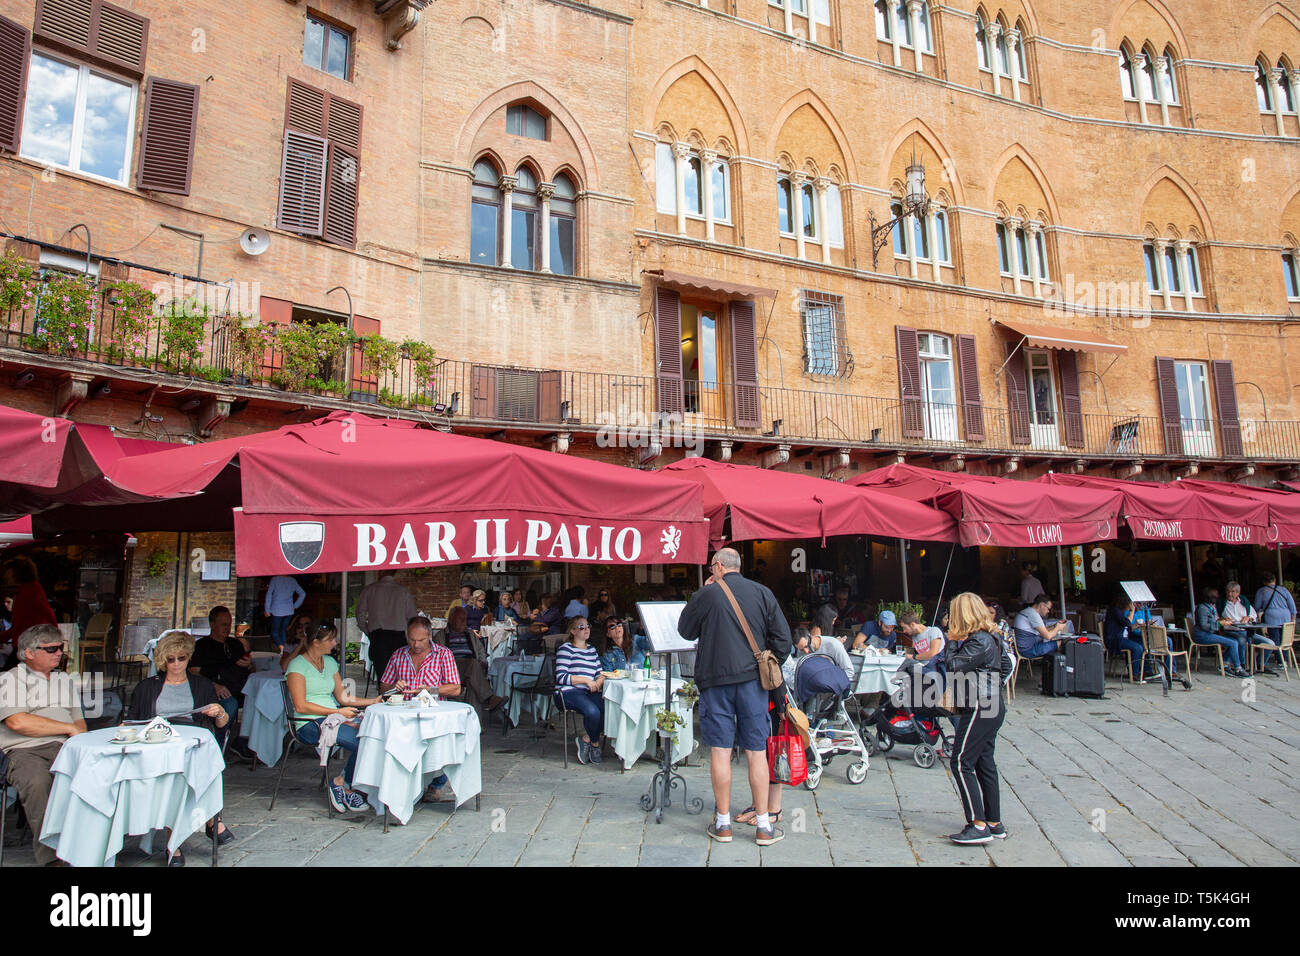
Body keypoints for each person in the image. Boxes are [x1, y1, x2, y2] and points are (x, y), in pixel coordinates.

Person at [677, 547, 791, 848]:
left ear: (717, 567)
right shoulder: (763, 592)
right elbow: (784, 641)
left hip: (716, 683)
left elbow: (685, 631)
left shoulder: (708, 594)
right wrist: (767, 660)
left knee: (720, 751)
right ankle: (764, 827)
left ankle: (724, 823)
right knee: (756, 751)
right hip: (754, 682)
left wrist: (701, 593)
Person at [125, 630, 233, 858]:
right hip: (158, 746)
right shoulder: (147, 687)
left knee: (190, 767)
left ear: (189, 657)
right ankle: (210, 821)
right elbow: (131, 723)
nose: (175, 664)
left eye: (181, 658)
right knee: (175, 776)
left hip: (192, 743)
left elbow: (222, 725)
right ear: (163, 659)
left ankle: (175, 843)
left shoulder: (202, 685)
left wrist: (220, 711)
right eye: (170, 659)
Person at [0, 625, 83, 866]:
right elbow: (17, 721)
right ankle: (53, 860)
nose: (59, 653)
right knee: (38, 782)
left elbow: (79, 721)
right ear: (29, 653)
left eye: (61, 648)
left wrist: (79, 741)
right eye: (51, 649)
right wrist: (66, 729)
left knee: (99, 779)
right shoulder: (10, 679)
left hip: (66, 746)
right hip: (25, 749)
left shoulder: (64, 679)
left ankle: (94, 851)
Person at [287, 624, 380, 814]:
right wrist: (336, 712)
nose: (335, 643)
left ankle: (342, 783)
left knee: (371, 734)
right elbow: (300, 706)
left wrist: (373, 701)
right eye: (330, 639)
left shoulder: (329, 662)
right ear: (315, 642)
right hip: (309, 724)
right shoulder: (297, 665)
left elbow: (343, 698)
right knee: (362, 741)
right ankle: (344, 785)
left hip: (332, 717)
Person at [945, 593, 1011, 846]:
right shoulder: (991, 638)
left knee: (961, 762)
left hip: (980, 705)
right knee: (985, 761)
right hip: (992, 703)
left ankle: (978, 824)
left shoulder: (978, 641)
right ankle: (994, 822)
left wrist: (951, 641)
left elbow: (952, 665)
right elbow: (1005, 666)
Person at [381, 616, 463, 803]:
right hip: (404, 714)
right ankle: (402, 782)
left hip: (433, 714)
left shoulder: (443, 654)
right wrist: (394, 685)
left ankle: (437, 783)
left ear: (430, 635)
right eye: (412, 639)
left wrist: (428, 689)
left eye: (421, 640)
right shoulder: (399, 655)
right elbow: (383, 688)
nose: (416, 645)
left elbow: (455, 688)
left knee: (441, 742)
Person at [189, 606, 256, 761]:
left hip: (240, 687)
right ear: (212, 624)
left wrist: (250, 665)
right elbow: (194, 672)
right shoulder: (202, 646)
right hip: (216, 690)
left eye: (229, 624)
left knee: (262, 701)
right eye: (223, 624)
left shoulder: (235, 644)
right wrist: (214, 685)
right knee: (229, 704)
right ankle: (216, 749)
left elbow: (252, 670)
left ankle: (244, 742)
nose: (227, 628)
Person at [433, 607, 505, 713]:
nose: (464, 622)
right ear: (452, 619)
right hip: (452, 670)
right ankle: (489, 698)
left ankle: (476, 727)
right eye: (461, 619)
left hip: (471, 670)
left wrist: (483, 662)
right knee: (472, 664)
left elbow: (481, 651)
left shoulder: (470, 634)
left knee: (473, 684)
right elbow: (436, 659)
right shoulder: (441, 636)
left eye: (465, 619)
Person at [554, 616, 604, 764]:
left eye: (587, 626)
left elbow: (599, 673)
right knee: (593, 711)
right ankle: (595, 744)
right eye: (581, 627)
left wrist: (599, 682)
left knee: (608, 708)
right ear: (573, 631)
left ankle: (586, 739)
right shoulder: (566, 649)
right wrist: (586, 680)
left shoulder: (592, 650)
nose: (586, 629)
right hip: (567, 692)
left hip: (589, 691)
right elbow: (561, 677)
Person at [355, 573, 417, 683]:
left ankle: (384, 695)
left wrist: (368, 632)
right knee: (401, 674)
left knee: (383, 677)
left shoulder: (370, 589)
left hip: (379, 637)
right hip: (399, 637)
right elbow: (412, 618)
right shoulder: (403, 591)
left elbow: (360, 614)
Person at [1, 558, 56, 671]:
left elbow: (18, 625)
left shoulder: (28, 591)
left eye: (8, 572)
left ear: (17, 572)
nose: (6, 576)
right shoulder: (30, 589)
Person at [1219, 580, 1280, 674]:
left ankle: (1259, 664)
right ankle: (1242, 665)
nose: (1229, 594)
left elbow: (1254, 615)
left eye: (1232, 591)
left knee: (1270, 643)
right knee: (1241, 640)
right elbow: (1215, 617)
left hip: (1247, 631)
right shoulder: (1221, 603)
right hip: (1231, 631)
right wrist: (1222, 620)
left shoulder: (1244, 602)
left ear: (1238, 593)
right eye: (1228, 591)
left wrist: (1248, 618)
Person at [1193, 587, 1250, 678]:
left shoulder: (1210, 607)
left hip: (1208, 634)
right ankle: (1238, 668)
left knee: (1235, 641)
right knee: (1233, 642)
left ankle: (1226, 665)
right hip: (1202, 635)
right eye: (1215, 597)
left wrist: (1222, 620)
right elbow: (1204, 625)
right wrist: (1219, 624)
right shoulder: (1203, 608)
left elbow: (1212, 621)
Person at [1104, 595, 1150, 682]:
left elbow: (1126, 626)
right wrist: (1132, 611)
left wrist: (1135, 626)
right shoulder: (1115, 610)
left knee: (1142, 645)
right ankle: (1134, 674)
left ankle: (1145, 670)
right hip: (1114, 639)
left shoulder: (1119, 611)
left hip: (1121, 637)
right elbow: (1127, 623)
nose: (1132, 605)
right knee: (1137, 648)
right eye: (1130, 603)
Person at [1011, 594, 1068, 660]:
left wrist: (1055, 626)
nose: (1048, 611)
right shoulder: (1033, 615)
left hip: (1022, 648)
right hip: (1027, 650)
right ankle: (1059, 668)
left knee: (1053, 644)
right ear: (1042, 605)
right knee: (1062, 643)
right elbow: (1048, 636)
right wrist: (1058, 628)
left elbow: (1043, 632)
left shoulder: (1027, 611)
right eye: (1048, 608)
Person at [1254, 572, 1297, 649]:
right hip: (1286, 618)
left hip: (1271, 618)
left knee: (1275, 640)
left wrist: (1261, 611)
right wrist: (1293, 619)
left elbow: (1256, 607)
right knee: (1285, 641)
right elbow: (1292, 606)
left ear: (1263, 582)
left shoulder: (1261, 591)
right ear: (1274, 580)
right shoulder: (1284, 590)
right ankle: (1284, 659)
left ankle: (1279, 658)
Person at [263, 574, 306, 650]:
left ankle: (282, 648)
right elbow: (303, 593)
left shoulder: (275, 579)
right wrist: (295, 605)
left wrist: (267, 609)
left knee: (275, 632)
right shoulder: (293, 580)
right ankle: (285, 649)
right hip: (289, 610)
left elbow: (269, 594)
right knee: (283, 630)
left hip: (277, 610)